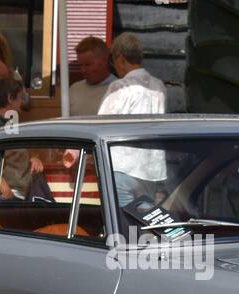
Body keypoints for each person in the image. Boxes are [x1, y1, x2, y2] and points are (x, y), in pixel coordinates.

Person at [98, 33, 168, 204]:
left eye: (114, 62)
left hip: (123, 166)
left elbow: (100, 124)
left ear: (121, 59)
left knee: (121, 218)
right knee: (143, 218)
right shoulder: (159, 86)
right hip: (150, 169)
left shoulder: (120, 86)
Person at [0, 78, 47, 199]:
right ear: (10, 98)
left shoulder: (8, 124)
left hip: (13, 193)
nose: (21, 103)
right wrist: (8, 194)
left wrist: (32, 158)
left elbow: (14, 152)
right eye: (20, 98)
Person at [67, 35, 116, 116]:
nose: (83, 70)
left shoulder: (119, 89)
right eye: (80, 65)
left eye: (88, 65)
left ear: (104, 60)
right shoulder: (74, 89)